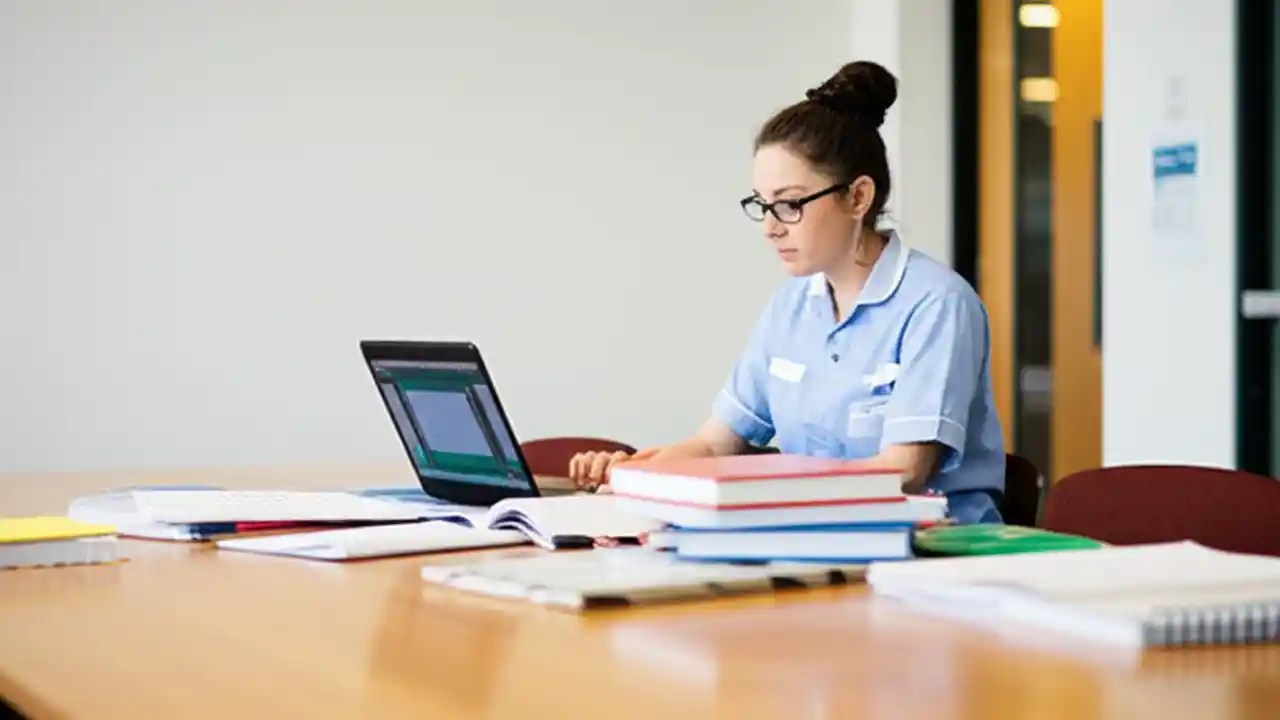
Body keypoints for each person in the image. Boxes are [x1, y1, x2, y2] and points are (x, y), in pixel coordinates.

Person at [568, 61, 1005, 524]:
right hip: (816, 536)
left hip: (937, 552)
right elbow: (718, 442)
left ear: (858, 198)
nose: (771, 228)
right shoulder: (790, 307)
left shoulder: (937, 303)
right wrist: (634, 473)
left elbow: (902, 472)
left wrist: (760, 492)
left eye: (790, 204)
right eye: (763, 205)